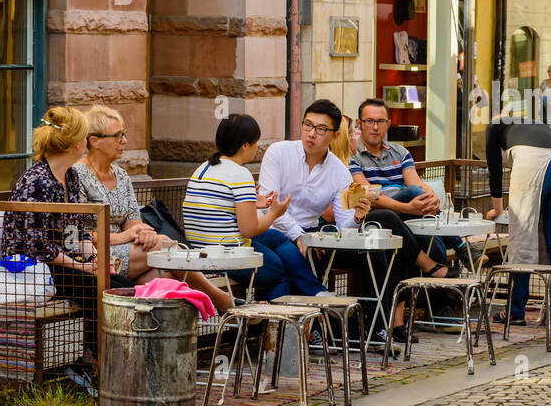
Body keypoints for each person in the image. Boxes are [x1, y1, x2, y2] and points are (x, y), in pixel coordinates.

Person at [258, 100, 449, 345]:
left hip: (315, 237)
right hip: (274, 233)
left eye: (320, 129)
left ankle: (378, 328)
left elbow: (345, 223)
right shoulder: (278, 152)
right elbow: (272, 206)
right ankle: (323, 321)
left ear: (334, 135)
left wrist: (359, 215)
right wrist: (298, 235)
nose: (311, 134)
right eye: (308, 125)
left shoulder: (340, 171)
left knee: (376, 251)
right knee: (297, 252)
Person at [74, 105, 232, 311]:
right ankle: (222, 301)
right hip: (95, 256)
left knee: (167, 275)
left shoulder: (120, 174)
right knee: (165, 245)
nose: (124, 141)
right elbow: (77, 235)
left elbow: (133, 220)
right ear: (94, 141)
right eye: (118, 136)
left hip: (128, 251)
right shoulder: (77, 175)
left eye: (125, 134)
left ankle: (160, 337)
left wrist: (143, 233)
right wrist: (127, 236)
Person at [181, 114, 326, 305]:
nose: (257, 147)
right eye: (256, 142)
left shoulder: (203, 168)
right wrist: (275, 213)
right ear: (245, 145)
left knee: (279, 238)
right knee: (281, 272)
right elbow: (249, 230)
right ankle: (270, 328)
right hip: (229, 255)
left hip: (202, 249)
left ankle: (316, 292)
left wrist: (252, 201)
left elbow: (219, 205)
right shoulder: (240, 174)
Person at [2, 106, 127, 302]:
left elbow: (77, 230)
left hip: (63, 265)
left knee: (127, 288)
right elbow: (38, 248)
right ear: (77, 144)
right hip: (33, 270)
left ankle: (102, 332)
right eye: (85, 137)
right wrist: (82, 266)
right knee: (109, 294)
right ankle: (101, 333)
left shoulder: (71, 176)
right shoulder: (37, 181)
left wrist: (96, 260)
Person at [485, 113, 551, 329]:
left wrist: (496, 209)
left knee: (522, 240)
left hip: (530, 165)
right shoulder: (533, 123)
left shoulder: (494, 127)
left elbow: (494, 169)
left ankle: (516, 312)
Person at [348, 98, 471, 271]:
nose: (375, 127)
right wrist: (410, 208)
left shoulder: (400, 151)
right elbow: (371, 198)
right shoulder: (353, 157)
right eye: (369, 121)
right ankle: (460, 247)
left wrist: (432, 199)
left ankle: (442, 293)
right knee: (413, 196)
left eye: (380, 121)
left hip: (407, 215)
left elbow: (416, 183)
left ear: (388, 124)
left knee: (429, 236)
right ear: (359, 124)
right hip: (379, 219)